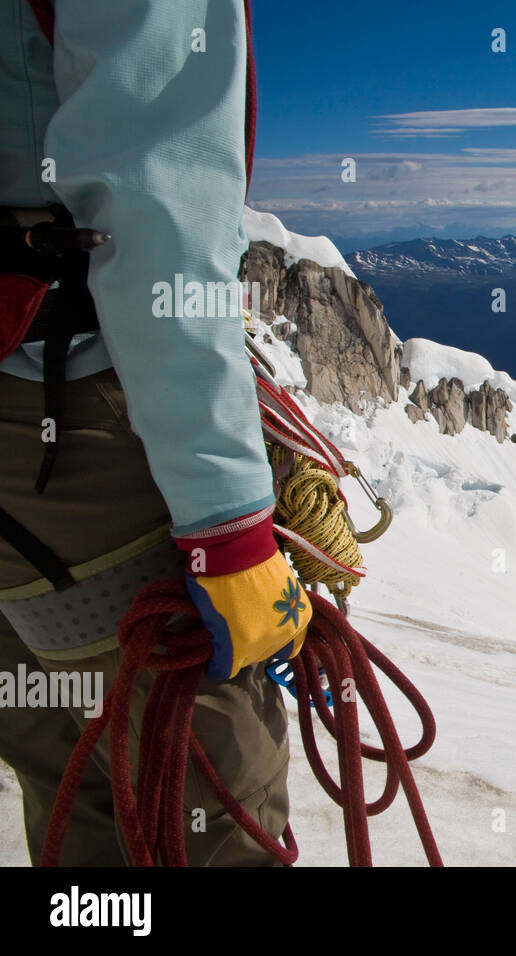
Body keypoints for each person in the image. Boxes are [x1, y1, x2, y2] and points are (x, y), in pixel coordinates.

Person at [0, 0, 310, 865]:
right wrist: (229, 525)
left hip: (29, 434)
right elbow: (154, 199)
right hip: (74, 421)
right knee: (207, 801)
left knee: (72, 777)